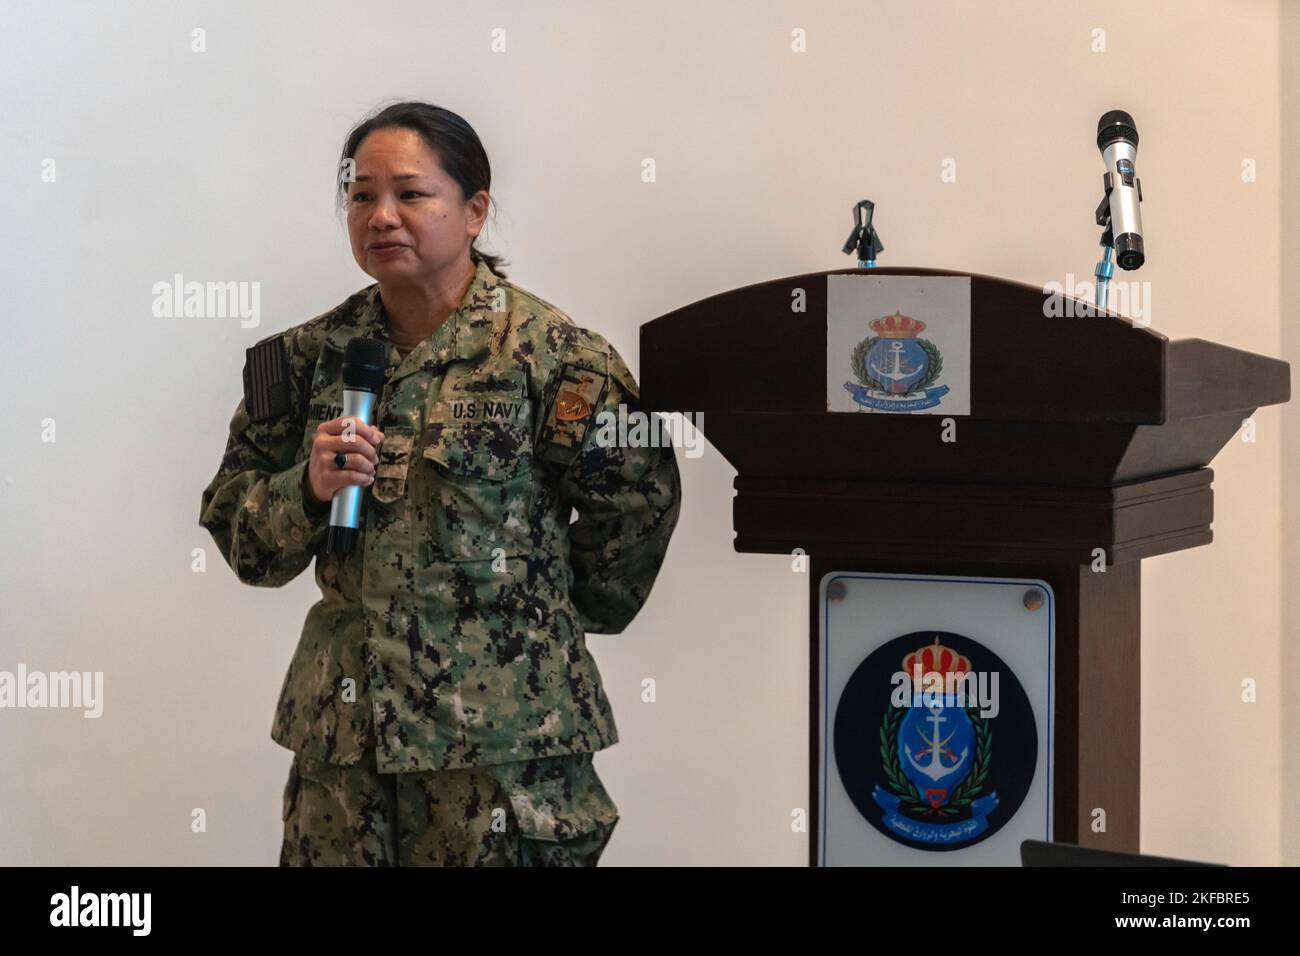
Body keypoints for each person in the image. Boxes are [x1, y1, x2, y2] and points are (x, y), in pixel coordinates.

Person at [198, 101, 682, 866]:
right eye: (361, 196)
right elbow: (239, 533)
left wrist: (532, 623)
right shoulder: (297, 362)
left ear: (474, 210)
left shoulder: (558, 359)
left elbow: (637, 505)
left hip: (501, 750)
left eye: (411, 194)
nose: (381, 216)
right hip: (345, 754)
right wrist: (306, 491)